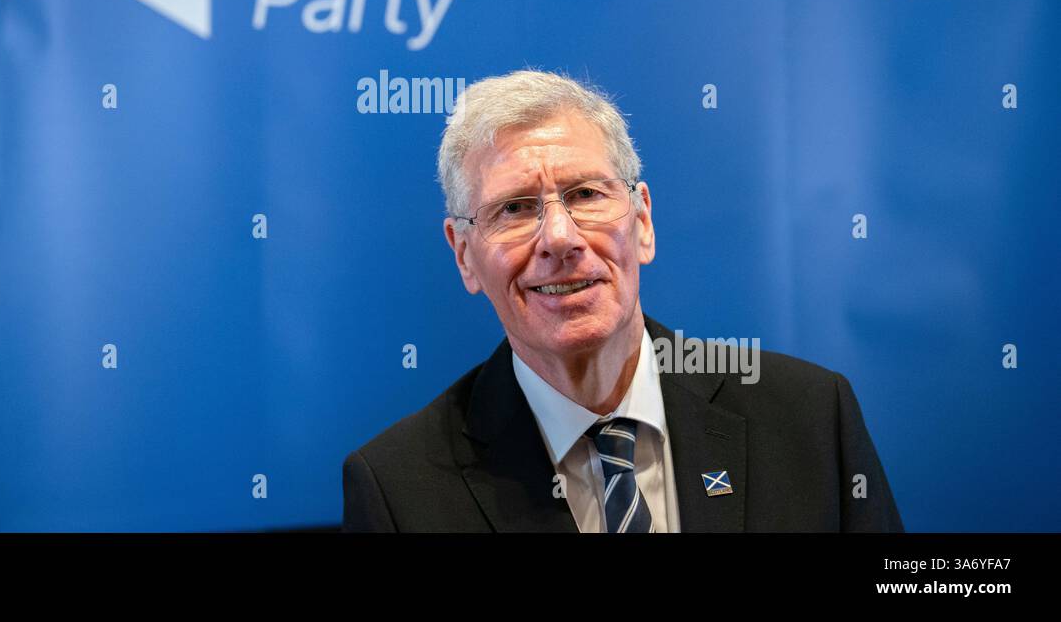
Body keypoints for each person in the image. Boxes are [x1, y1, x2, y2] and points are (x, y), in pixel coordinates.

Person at [341, 69, 903, 532]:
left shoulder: (809, 418)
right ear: (464, 254)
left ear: (642, 222)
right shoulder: (398, 490)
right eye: (513, 208)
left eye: (585, 194)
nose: (559, 238)